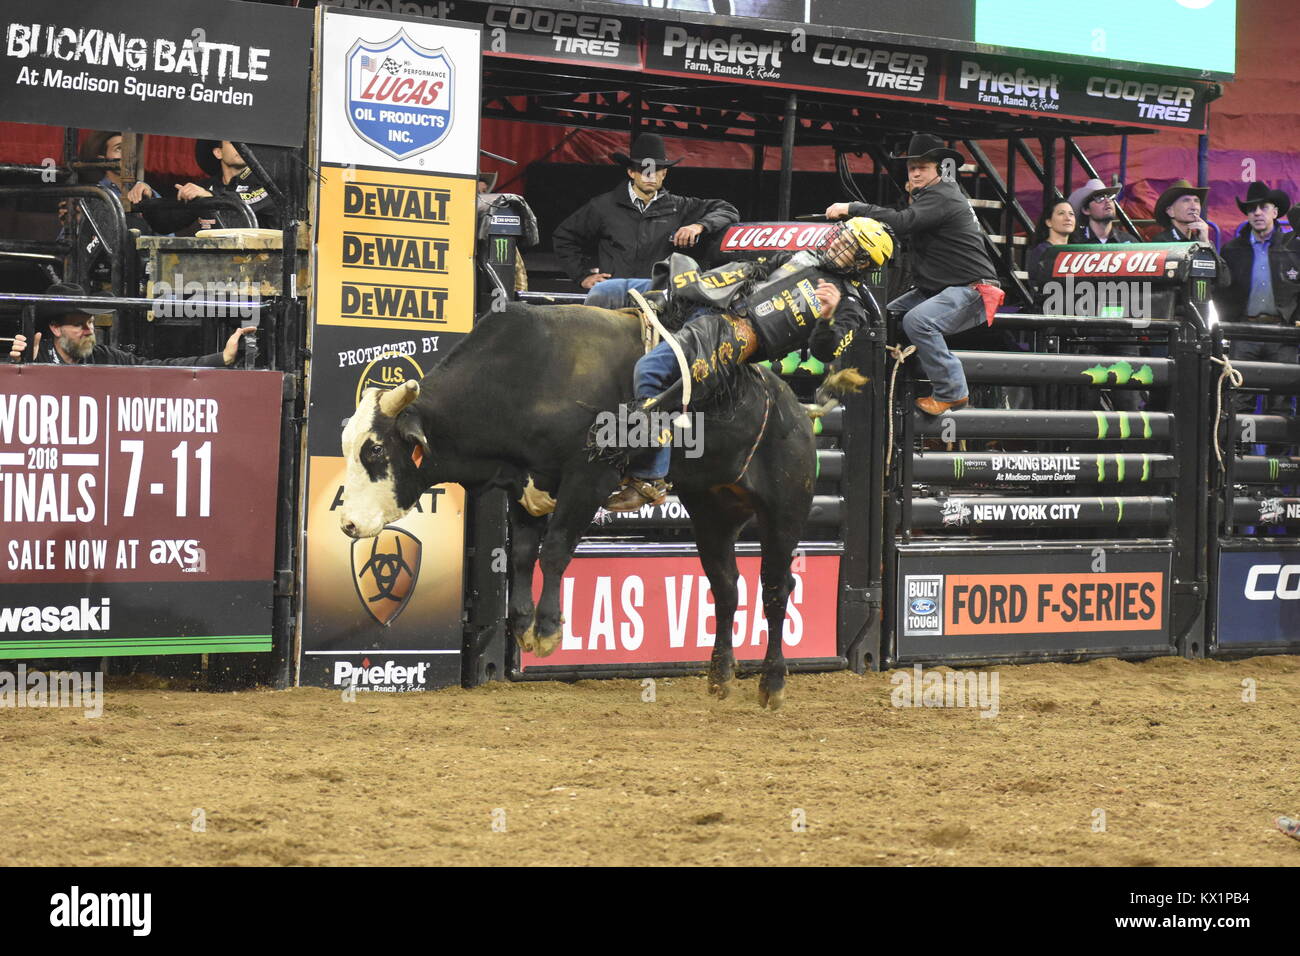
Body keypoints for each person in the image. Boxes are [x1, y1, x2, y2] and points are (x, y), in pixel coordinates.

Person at [602, 217, 894, 511]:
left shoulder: (851, 305)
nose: (837, 244)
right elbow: (759, 270)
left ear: (861, 263)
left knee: (650, 371)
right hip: (710, 295)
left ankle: (651, 476)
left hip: (728, 332)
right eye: (841, 236)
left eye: (848, 246)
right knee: (607, 293)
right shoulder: (802, 256)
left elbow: (826, 351)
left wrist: (827, 317)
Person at [824, 133, 1004, 415]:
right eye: (912, 167)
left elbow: (903, 221)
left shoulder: (943, 194)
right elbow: (904, 222)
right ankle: (876, 385)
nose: (916, 172)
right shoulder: (935, 196)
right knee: (882, 318)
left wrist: (854, 208)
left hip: (972, 290)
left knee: (918, 321)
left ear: (940, 170)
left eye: (923, 166)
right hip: (944, 289)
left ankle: (952, 391)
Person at [551, 133, 739, 308]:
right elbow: (564, 236)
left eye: (656, 169)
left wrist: (699, 226)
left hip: (658, 303)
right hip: (614, 302)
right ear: (631, 172)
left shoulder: (681, 207)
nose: (650, 174)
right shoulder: (603, 206)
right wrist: (582, 276)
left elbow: (727, 210)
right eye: (644, 169)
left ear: (664, 174)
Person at [8, 282, 254, 367]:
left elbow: (159, 369)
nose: (89, 330)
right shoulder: (35, 357)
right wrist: (17, 368)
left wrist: (222, 358)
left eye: (91, 322)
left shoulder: (104, 358)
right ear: (55, 328)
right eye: (79, 325)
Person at [1215, 182, 1299, 415]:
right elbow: (1222, 291)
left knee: (1281, 401)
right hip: (1244, 330)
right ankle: (1238, 452)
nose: (1257, 213)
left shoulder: (1293, 249)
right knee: (1239, 398)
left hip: (1282, 333)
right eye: (1252, 209)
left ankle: (1276, 453)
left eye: (1263, 207)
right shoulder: (1233, 249)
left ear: (1275, 212)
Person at [175, 140, 280, 230]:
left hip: (264, 252)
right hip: (216, 251)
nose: (242, 146)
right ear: (218, 153)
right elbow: (168, 223)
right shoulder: (206, 186)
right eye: (234, 142)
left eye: (246, 142)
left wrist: (209, 196)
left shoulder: (266, 181)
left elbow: (240, 205)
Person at [1025, 197, 1076, 291]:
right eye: (1061, 213)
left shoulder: (1077, 252)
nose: (1068, 218)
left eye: (1071, 214)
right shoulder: (1042, 250)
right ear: (1049, 222)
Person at [1069, 178, 1138, 244]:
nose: (1107, 201)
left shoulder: (1128, 241)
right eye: (1100, 198)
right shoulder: (1074, 242)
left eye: (1109, 197)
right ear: (1086, 210)